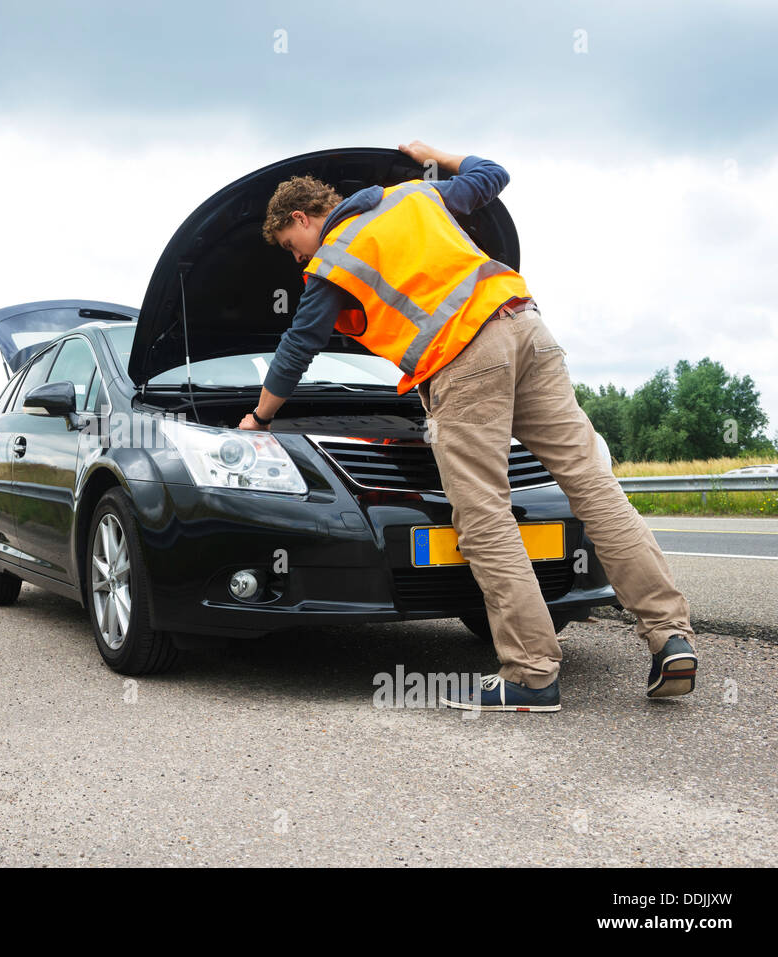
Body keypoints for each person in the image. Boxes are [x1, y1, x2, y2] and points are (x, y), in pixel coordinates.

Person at [240, 140, 697, 712]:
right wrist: (435, 154)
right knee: (594, 487)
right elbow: (494, 173)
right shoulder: (414, 196)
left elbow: (296, 349)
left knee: (483, 515)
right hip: (526, 328)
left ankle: (531, 673)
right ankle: (669, 635)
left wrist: (259, 417)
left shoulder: (333, 259)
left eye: (290, 244)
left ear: (301, 218)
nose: (296, 258)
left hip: (464, 361)